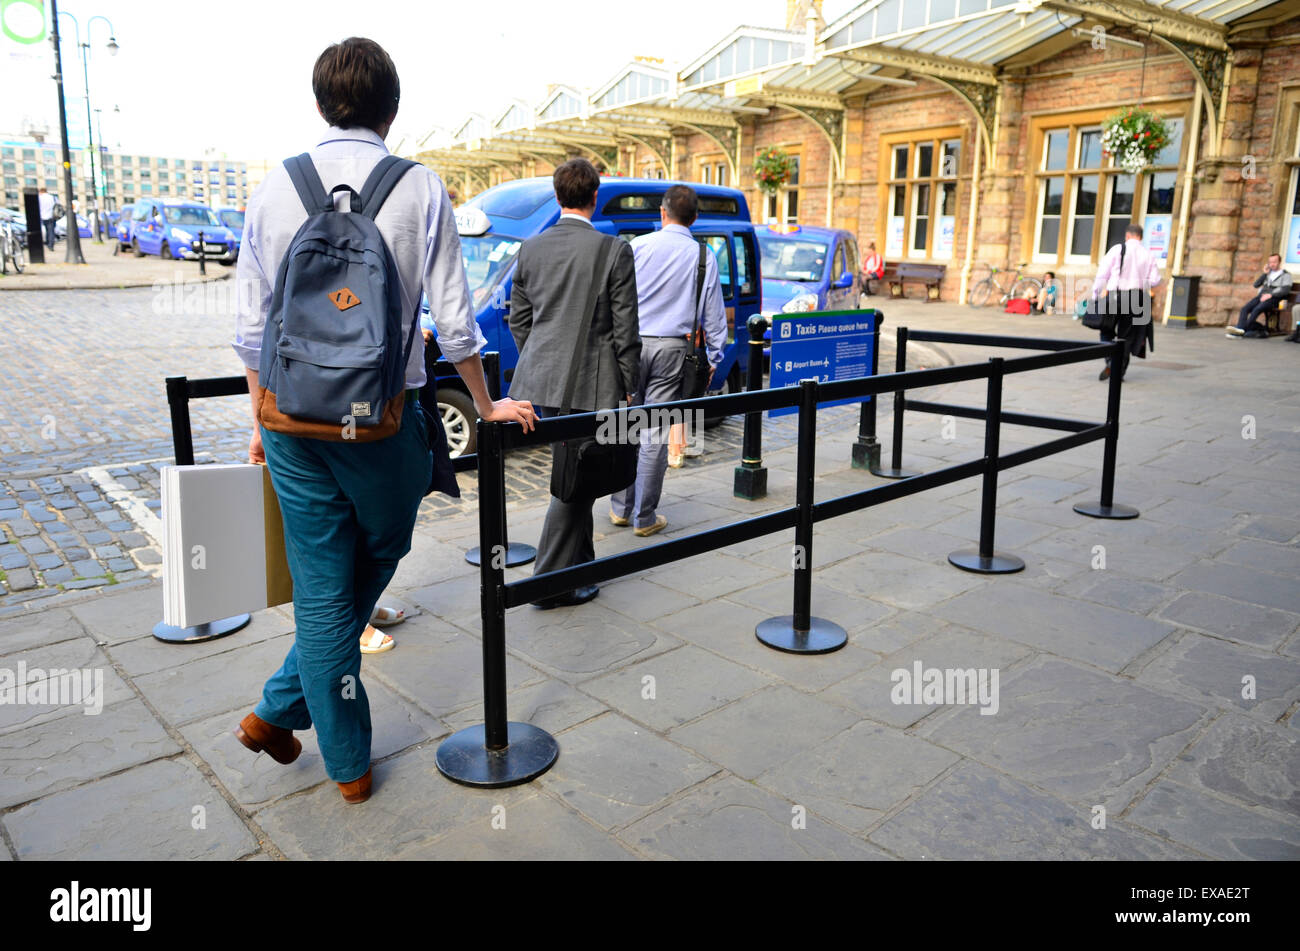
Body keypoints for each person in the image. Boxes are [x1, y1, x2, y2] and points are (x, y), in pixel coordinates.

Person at [231, 37, 535, 804]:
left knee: (323, 586)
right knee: (387, 543)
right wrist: (489, 401)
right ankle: (338, 758)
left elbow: (247, 328)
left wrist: (260, 414)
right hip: (382, 419)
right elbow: (456, 321)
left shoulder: (273, 189)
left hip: (290, 420)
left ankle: (288, 719)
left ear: (319, 103)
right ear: (391, 109)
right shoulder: (419, 186)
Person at [508, 158, 640, 608]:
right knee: (573, 479)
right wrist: (631, 386)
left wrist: (544, 357)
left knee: (577, 469)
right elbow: (626, 330)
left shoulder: (530, 248)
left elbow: (519, 319)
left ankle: (579, 568)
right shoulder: (614, 250)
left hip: (544, 383)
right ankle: (546, 585)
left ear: (558, 195)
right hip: (591, 383)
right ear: (594, 196)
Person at [610, 185, 726, 537]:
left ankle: (620, 506)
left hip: (630, 346)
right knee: (655, 432)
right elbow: (713, 315)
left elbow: (616, 300)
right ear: (694, 218)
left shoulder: (636, 247)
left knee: (624, 426)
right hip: (673, 350)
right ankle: (644, 518)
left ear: (662, 214)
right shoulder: (703, 256)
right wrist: (716, 357)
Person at [1090, 223, 1161, 381]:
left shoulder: (1117, 249)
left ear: (1127, 236)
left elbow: (1102, 273)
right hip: (1137, 297)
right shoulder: (1147, 254)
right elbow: (1155, 280)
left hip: (1116, 295)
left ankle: (1110, 360)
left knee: (1106, 330)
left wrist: (1095, 294)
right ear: (1141, 237)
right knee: (1127, 336)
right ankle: (1119, 370)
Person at [1227, 254, 1293, 339]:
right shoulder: (1268, 273)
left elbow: (1285, 290)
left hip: (1275, 299)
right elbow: (1256, 285)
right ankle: (1240, 329)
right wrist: (1264, 274)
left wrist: (1271, 294)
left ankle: (1242, 330)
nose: (1272, 264)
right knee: (1245, 308)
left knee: (1257, 309)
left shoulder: (1286, 275)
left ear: (1279, 262)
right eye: (1270, 262)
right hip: (1261, 296)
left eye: (1274, 262)